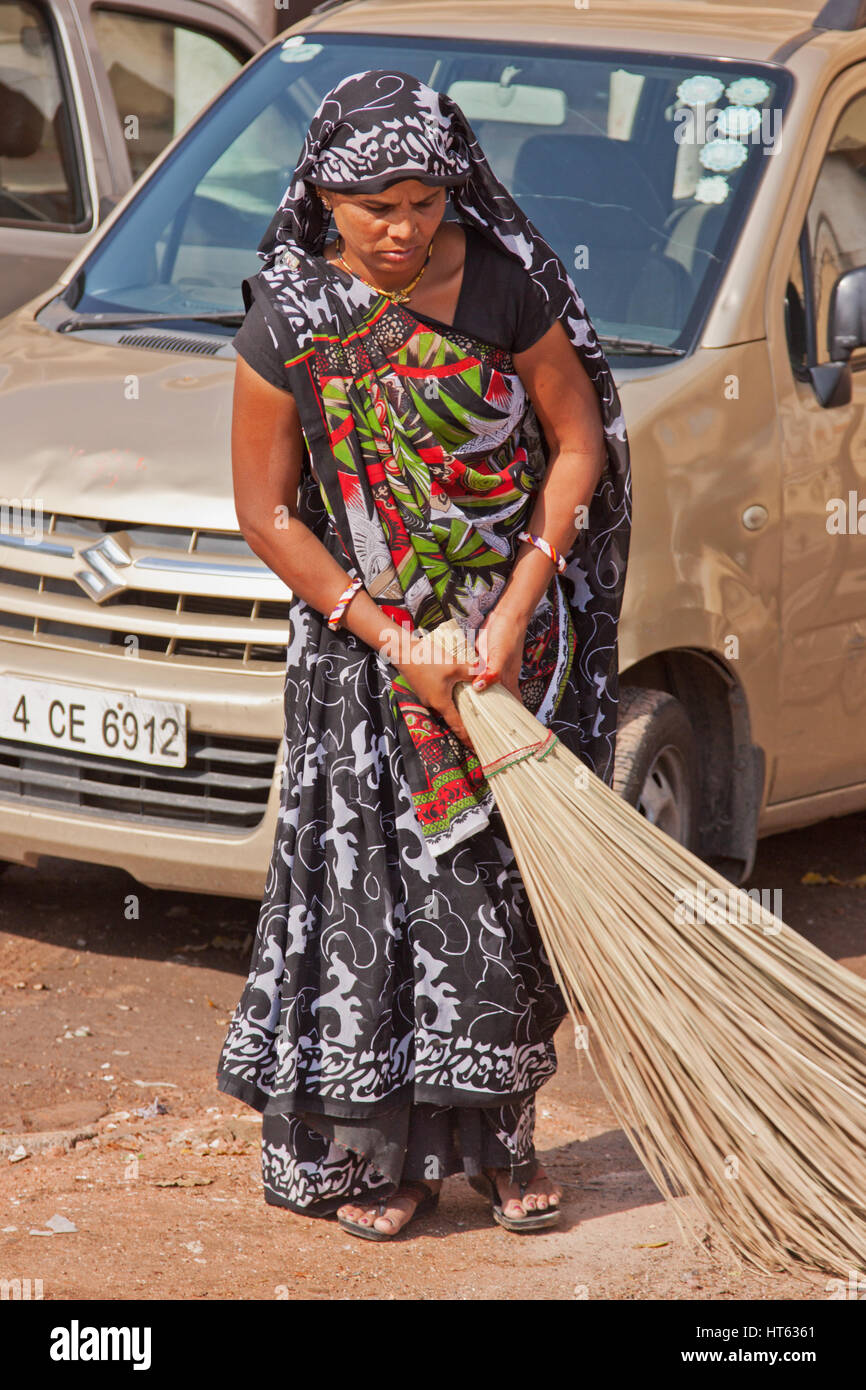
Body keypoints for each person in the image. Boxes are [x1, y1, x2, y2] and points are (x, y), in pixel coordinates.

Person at [216, 69, 631, 1240]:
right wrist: (391, 636)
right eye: (373, 208)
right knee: (377, 901)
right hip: (366, 663)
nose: (401, 231)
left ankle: (501, 1148)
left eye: (422, 203)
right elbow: (267, 511)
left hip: (510, 650)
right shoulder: (286, 319)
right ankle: (385, 1158)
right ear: (323, 199)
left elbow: (573, 438)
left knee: (496, 894)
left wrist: (509, 615)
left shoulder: (504, 287)